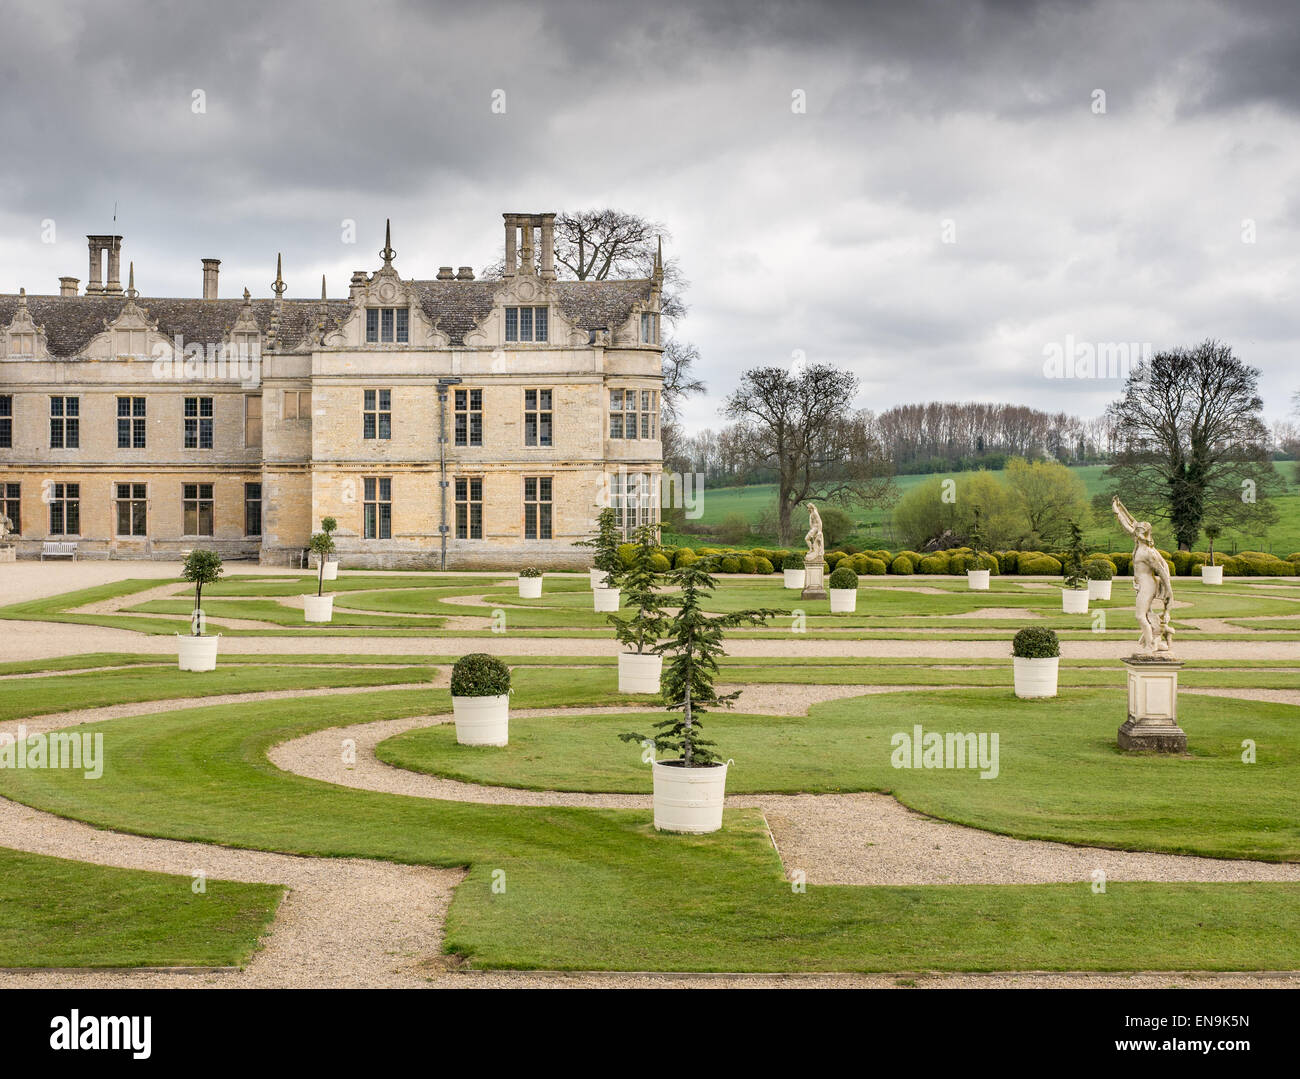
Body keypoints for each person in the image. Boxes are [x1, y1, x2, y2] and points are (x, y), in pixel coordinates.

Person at [1112, 496, 1174, 654]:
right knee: (1147, 614)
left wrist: (1169, 591)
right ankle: (1158, 638)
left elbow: (1161, 570)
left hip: (1148, 585)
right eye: (1136, 530)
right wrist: (1117, 511)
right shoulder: (1138, 544)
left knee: (1140, 616)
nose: (1135, 532)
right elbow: (1128, 526)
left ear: (1145, 533)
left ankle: (1149, 645)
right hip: (1142, 585)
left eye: (1139, 531)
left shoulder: (1147, 552)